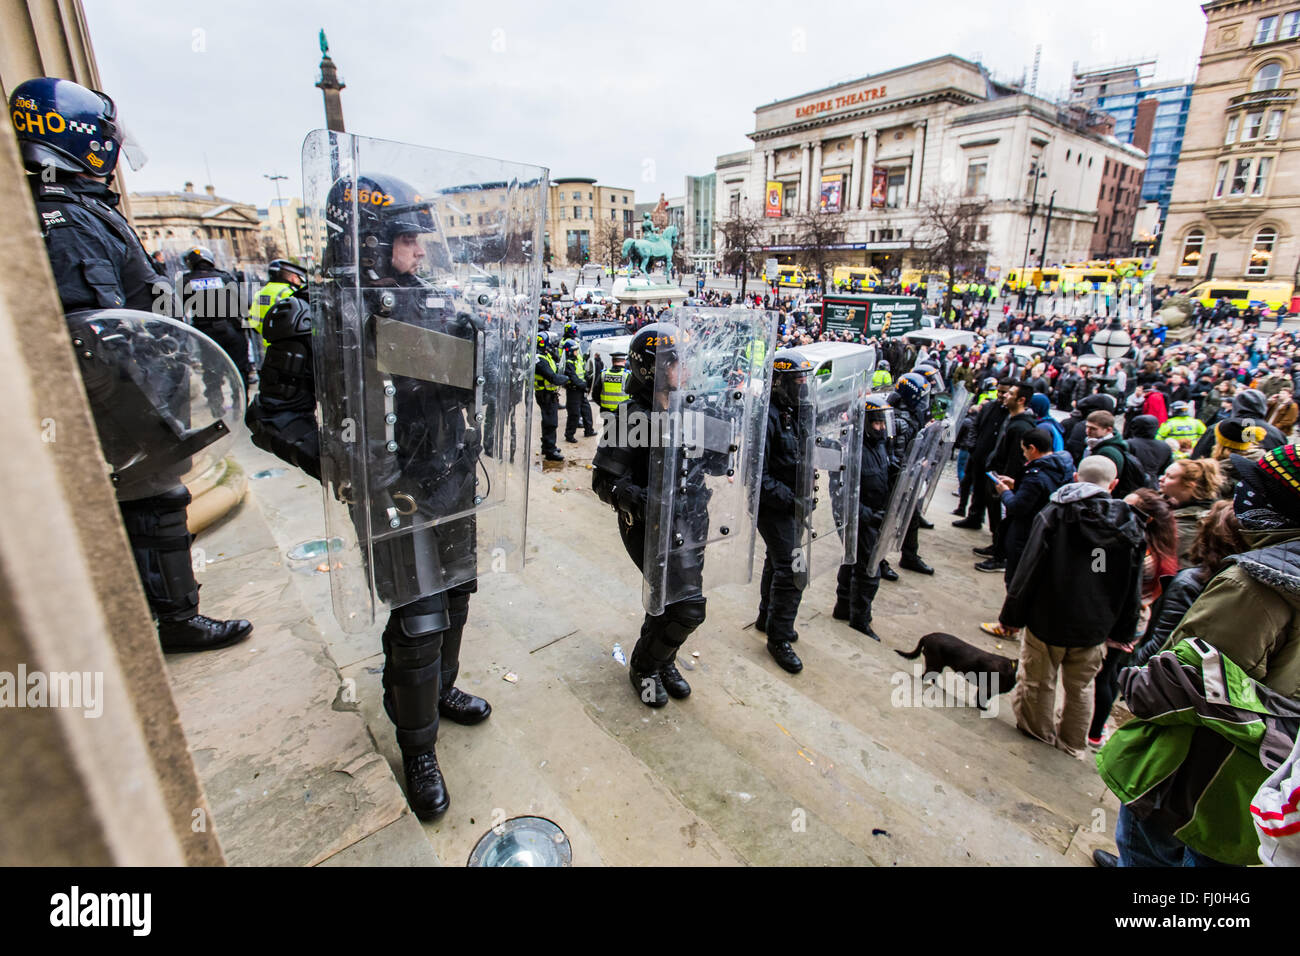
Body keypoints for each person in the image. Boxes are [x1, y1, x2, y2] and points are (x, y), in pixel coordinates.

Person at [13, 76, 251, 653]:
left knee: (153, 500)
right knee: (157, 500)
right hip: (119, 397)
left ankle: (163, 614)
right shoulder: (66, 219)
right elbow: (95, 332)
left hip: (131, 389)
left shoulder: (77, 207)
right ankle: (175, 619)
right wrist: (141, 410)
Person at [314, 169, 497, 821]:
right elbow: (275, 415)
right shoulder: (333, 313)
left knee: (455, 599)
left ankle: (441, 693)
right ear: (369, 241)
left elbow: (446, 386)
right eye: (409, 238)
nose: (423, 250)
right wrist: (350, 468)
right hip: (394, 495)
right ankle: (417, 748)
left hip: (449, 479)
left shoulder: (422, 300)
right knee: (418, 623)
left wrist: (476, 355)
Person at [1096, 445, 1300, 867]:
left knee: (1146, 851)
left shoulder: (1254, 582)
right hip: (1255, 783)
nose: (1242, 493)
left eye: (1255, 487)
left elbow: (1182, 682)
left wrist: (1133, 683)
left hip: (1194, 773)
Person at [592, 323, 734, 706]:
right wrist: (647, 499)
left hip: (693, 521)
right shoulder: (631, 415)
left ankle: (662, 657)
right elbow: (604, 482)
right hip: (650, 525)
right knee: (688, 608)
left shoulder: (689, 408)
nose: (683, 369)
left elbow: (716, 467)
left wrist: (724, 436)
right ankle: (644, 667)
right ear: (649, 369)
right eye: (674, 362)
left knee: (668, 602)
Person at [997, 455, 1145, 757]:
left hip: (1048, 616)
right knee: (1081, 687)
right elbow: (1132, 585)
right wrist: (1124, 630)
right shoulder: (1128, 524)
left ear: (1076, 477)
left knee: (1038, 682)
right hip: (1094, 625)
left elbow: (1030, 566)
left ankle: (1037, 734)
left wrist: (1012, 614)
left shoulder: (1057, 514)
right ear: (1113, 485)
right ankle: (1073, 743)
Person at [1087, 488, 1179, 747]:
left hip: (1118, 621)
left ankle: (1094, 731)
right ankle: (1097, 727)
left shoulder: (1137, 549)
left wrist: (1098, 548)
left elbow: (1101, 575)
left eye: (1127, 507)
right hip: (1135, 621)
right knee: (1111, 673)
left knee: (1101, 676)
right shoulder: (1160, 547)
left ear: (1146, 519)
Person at [754, 349, 817, 674]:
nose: (802, 387)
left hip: (795, 502)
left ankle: (767, 617)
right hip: (773, 506)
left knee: (776, 561)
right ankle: (778, 638)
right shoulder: (765, 417)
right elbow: (758, 477)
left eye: (805, 380)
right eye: (796, 381)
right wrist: (791, 499)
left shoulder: (795, 412)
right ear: (778, 381)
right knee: (794, 572)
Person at [832, 395, 892, 642]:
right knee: (868, 570)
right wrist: (867, 516)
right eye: (876, 423)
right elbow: (840, 492)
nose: (881, 428)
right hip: (860, 518)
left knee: (852, 561)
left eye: (883, 423)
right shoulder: (848, 448)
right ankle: (860, 619)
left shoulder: (878, 444)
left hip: (874, 515)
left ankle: (843, 607)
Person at [244, 286, 319, 479]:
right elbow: (270, 417)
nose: (410, 253)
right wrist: (328, 459)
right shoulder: (317, 311)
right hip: (377, 491)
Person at [883, 372, 935, 577]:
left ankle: (910, 555)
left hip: (908, 476)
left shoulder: (911, 415)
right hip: (895, 479)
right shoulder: (897, 420)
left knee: (910, 517)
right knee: (885, 522)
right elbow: (894, 456)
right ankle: (878, 561)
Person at [179, 245, 250, 391]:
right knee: (240, 369)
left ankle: (216, 407)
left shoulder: (186, 281)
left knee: (212, 371)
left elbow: (179, 308)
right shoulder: (225, 277)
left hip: (207, 334)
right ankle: (242, 403)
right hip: (232, 330)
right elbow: (245, 302)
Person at [1159, 458, 1224, 567]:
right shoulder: (1170, 503)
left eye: (1169, 477)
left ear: (1189, 485)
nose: (1161, 479)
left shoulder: (1190, 523)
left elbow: (1182, 564)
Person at [248, 258, 307, 343]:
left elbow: (253, 321)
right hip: (289, 344)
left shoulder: (262, 292)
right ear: (294, 278)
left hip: (269, 344)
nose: (300, 282)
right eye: (299, 279)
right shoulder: (289, 292)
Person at [534, 330, 567, 461]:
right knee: (551, 423)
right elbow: (553, 377)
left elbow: (556, 363)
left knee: (547, 421)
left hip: (547, 394)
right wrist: (567, 378)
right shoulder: (539, 360)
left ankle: (547, 445)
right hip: (545, 395)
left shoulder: (543, 355)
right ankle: (550, 451)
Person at [561, 335, 597, 442]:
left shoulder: (577, 360)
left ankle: (589, 430)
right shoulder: (569, 363)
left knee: (586, 410)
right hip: (573, 391)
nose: (577, 352)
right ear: (570, 352)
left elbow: (582, 373)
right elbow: (573, 378)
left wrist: (587, 377)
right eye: (575, 351)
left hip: (580, 390)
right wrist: (584, 385)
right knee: (574, 414)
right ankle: (569, 435)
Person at [1127, 414, 1173, 482]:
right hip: (1154, 483)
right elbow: (1166, 468)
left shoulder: (1129, 444)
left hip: (1131, 483)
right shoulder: (1165, 447)